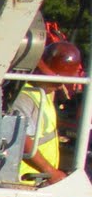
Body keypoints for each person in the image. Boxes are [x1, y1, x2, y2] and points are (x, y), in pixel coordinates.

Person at [13, 39, 81, 183]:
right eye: (56, 82)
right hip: (25, 181)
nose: (59, 86)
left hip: (39, 180)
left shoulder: (43, 93)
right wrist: (50, 171)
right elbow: (22, 138)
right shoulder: (24, 97)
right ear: (40, 71)